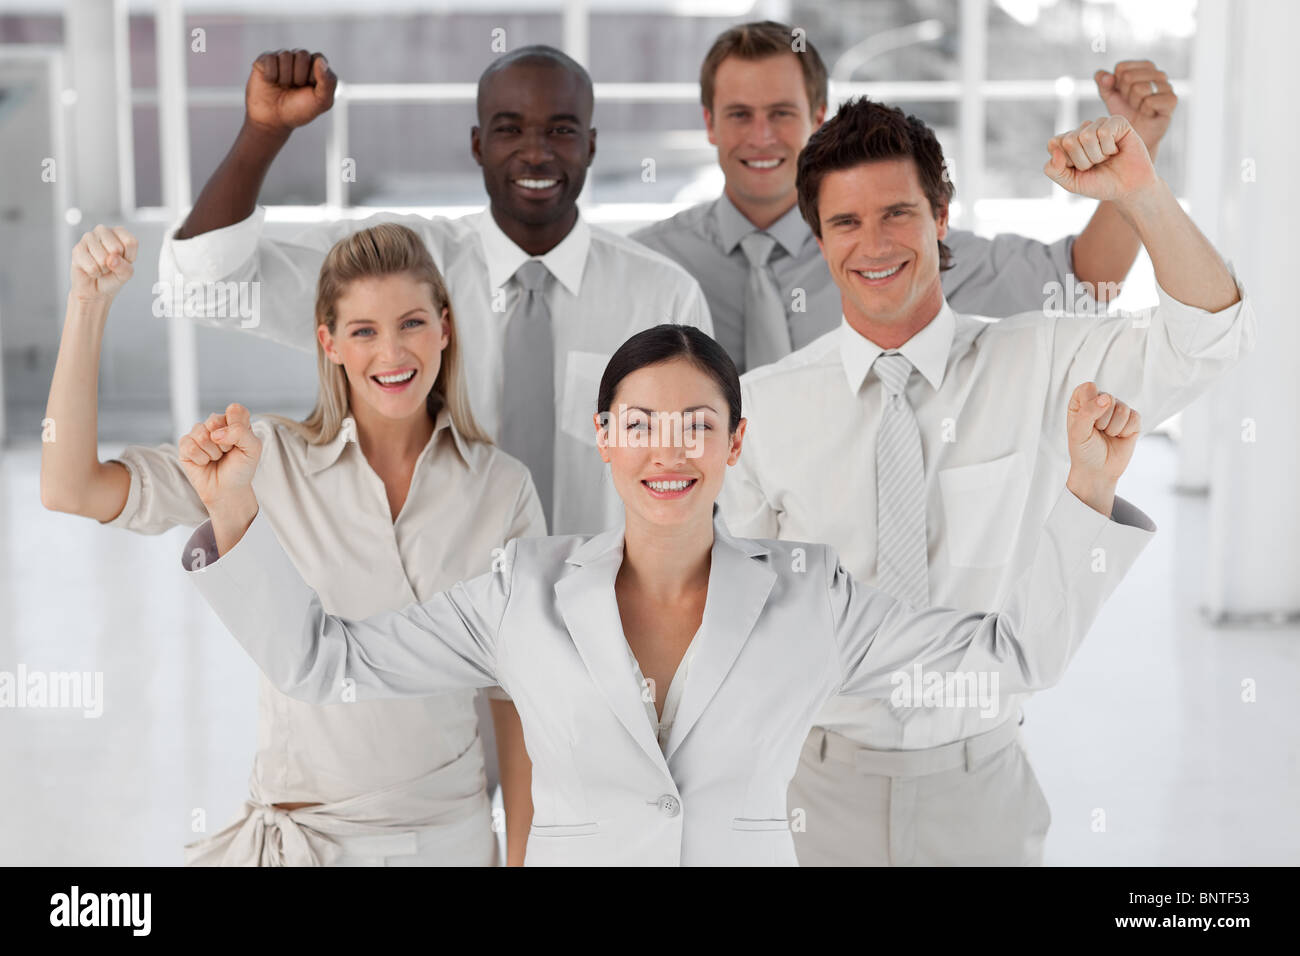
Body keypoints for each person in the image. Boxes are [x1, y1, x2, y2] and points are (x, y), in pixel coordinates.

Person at [177, 323, 1155, 867]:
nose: (667, 447)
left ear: (735, 443)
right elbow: (324, 660)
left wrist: (1086, 491)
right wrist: (232, 511)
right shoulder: (522, 592)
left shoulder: (813, 597)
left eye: (697, 423)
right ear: (604, 436)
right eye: (640, 422)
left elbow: (1013, 658)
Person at [718, 98, 1255, 865]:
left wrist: (1142, 192)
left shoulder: (1039, 362)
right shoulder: (763, 409)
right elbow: (743, 621)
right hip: (810, 788)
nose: (873, 244)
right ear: (819, 238)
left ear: (942, 218)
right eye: (845, 223)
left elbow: (1207, 338)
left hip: (980, 788)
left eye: (898, 212)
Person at [41, 221, 545, 866]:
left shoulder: (502, 488)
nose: (391, 353)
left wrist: (523, 859)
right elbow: (70, 488)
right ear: (328, 343)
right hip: (303, 844)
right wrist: (89, 303)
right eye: (364, 331)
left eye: (412, 323)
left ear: (445, 327)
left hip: (445, 842)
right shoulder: (264, 462)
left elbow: (519, 697)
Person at [159, 45, 711, 535]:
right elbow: (208, 287)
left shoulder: (662, 299)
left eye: (561, 130)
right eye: (509, 129)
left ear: (591, 146)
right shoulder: (400, 268)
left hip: (607, 613)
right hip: (437, 611)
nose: (536, 152)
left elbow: (703, 478)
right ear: (477, 144)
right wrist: (264, 131)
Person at [633, 20, 1179, 373]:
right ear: (708, 123)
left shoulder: (896, 250)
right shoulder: (652, 264)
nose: (761, 136)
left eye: (781, 113)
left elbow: (1081, 283)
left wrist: (1138, 156)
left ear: (817, 117)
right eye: (739, 115)